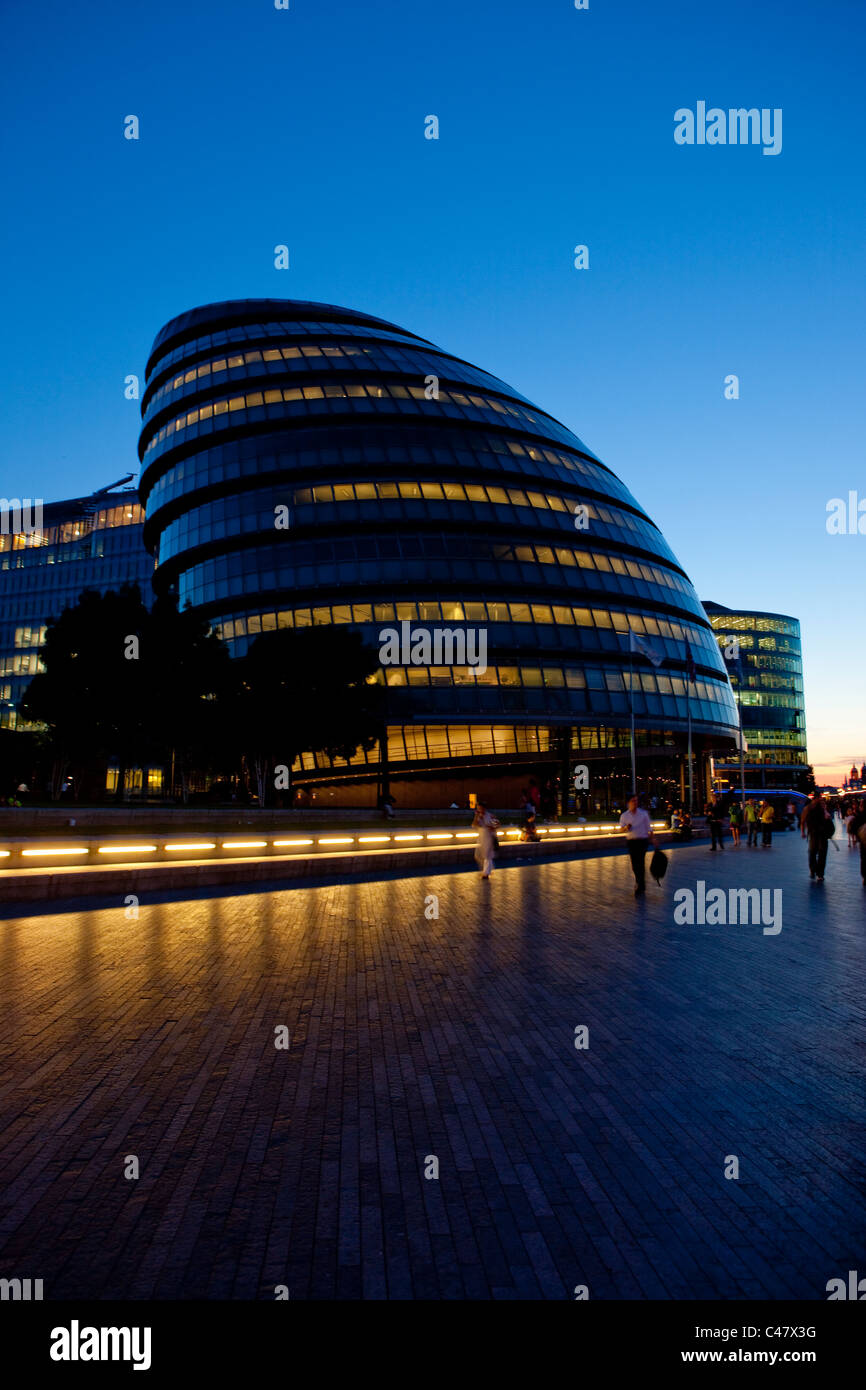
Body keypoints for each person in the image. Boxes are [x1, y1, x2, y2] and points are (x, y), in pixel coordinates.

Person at [618, 794, 656, 896]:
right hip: (631, 842)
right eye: (633, 801)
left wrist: (653, 839)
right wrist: (626, 828)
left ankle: (639, 884)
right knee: (635, 865)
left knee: (641, 862)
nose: (635, 803)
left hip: (642, 841)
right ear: (628, 803)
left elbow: (649, 828)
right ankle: (640, 883)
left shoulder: (643, 814)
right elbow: (620, 829)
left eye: (636, 801)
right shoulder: (624, 816)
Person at [800, 790, 833, 881]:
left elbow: (802, 821)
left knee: (812, 853)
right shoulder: (814, 807)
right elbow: (828, 817)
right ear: (818, 798)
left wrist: (802, 832)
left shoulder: (808, 808)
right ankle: (819, 873)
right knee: (821, 853)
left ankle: (814, 871)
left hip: (814, 834)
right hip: (820, 834)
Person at [473, 800, 499, 878]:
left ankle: (486, 873)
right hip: (482, 837)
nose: (479, 810)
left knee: (487, 855)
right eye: (478, 808)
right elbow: (474, 825)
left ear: (484, 808)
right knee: (478, 855)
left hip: (489, 837)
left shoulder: (490, 816)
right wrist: (476, 816)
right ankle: (488, 870)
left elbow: (497, 824)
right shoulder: (478, 816)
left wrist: (492, 827)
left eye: (480, 808)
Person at [848, 799, 866, 886]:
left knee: (864, 858)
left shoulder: (859, 817)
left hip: (864, 841)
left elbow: (853, 828)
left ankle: (865, 877)